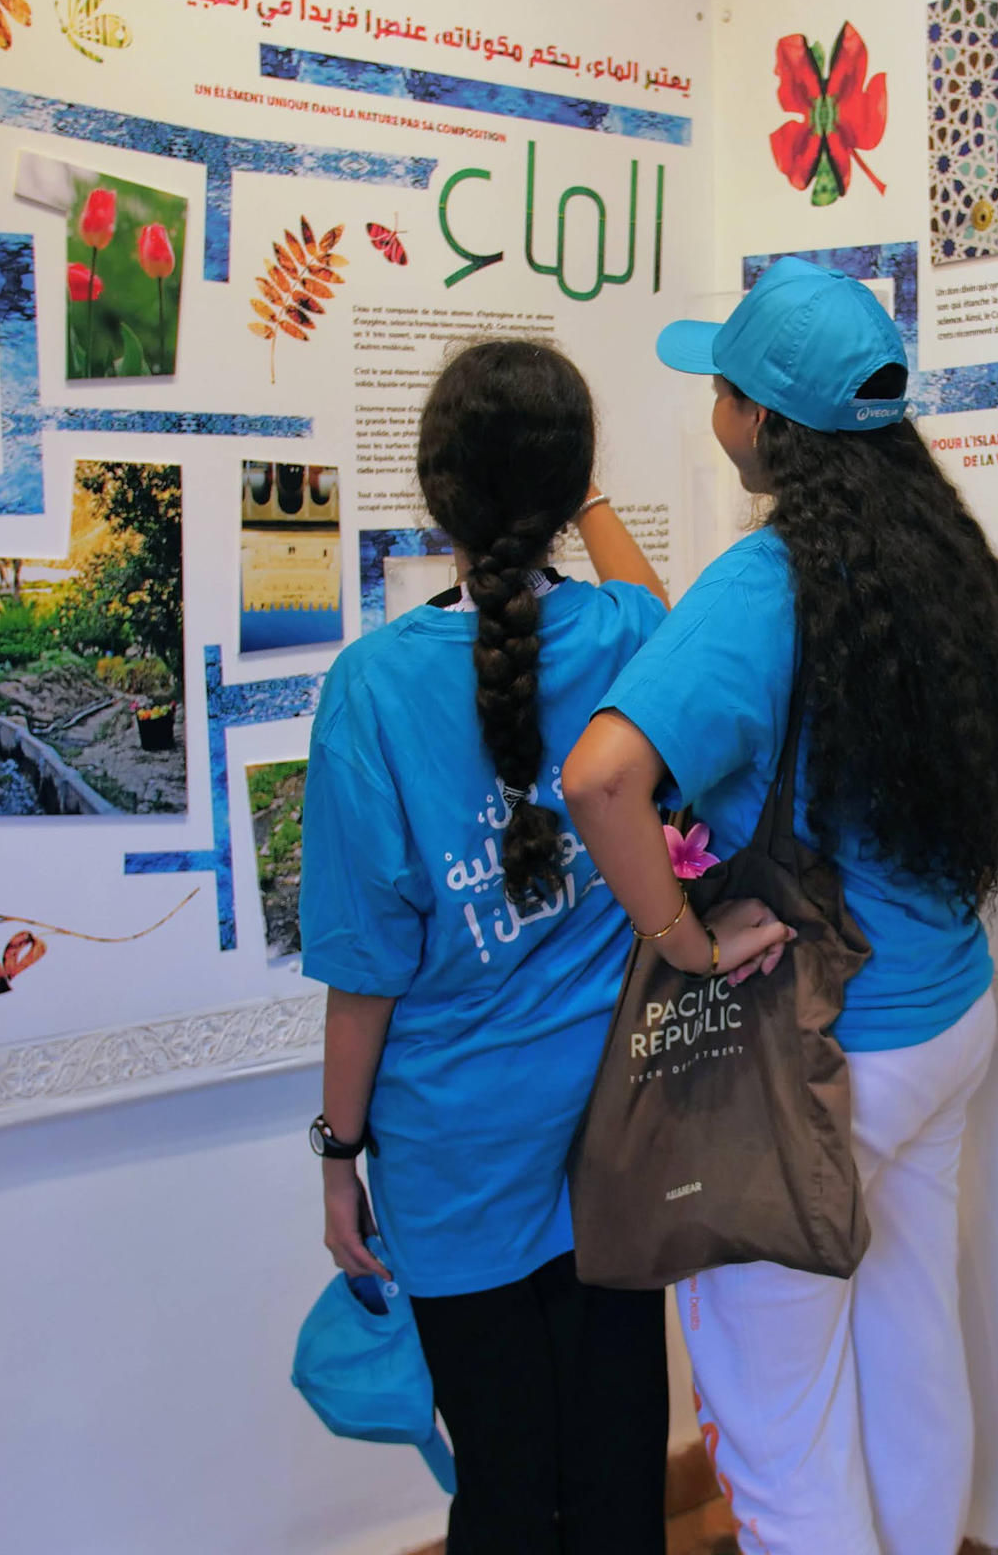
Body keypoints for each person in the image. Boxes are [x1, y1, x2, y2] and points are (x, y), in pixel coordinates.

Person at [561, 260, 998, 1555]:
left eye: (721, 385)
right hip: (942, 1024)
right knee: (910, 1349)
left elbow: (604, 777)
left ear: (761, 420)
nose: (713, 407)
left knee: (779, 1429)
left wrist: (682, 936)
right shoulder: (938, 568)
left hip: (818, 1064)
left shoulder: (764, 580)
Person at [303, 340, 707, 1554]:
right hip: (613, 1143)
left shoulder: (370, 688)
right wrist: (583, 495)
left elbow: (364, 973)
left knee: (504, 1491)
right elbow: (678, 620)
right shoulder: (629, 635)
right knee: (624, 1476)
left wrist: (338, 1153)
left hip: (453, 1158)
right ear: (571, 487)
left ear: (436, 496)